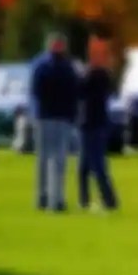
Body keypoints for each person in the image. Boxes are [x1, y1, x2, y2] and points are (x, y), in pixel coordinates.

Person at [31, 32, 81, 212]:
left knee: (56, 159)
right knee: (47, 159)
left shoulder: (63, 66)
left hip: (58, 117)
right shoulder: (54, 66)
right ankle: (46, 197)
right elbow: (37, 91)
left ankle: (54, 198)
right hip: (49, 117)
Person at [76, 38, 119, 211]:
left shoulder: (97, 75)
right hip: (92, 122)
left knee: (96, 164)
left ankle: (108, 200)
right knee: (85, 166)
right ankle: (84, 200)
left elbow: (81, 90)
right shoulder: (102, 75)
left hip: (93, 123)